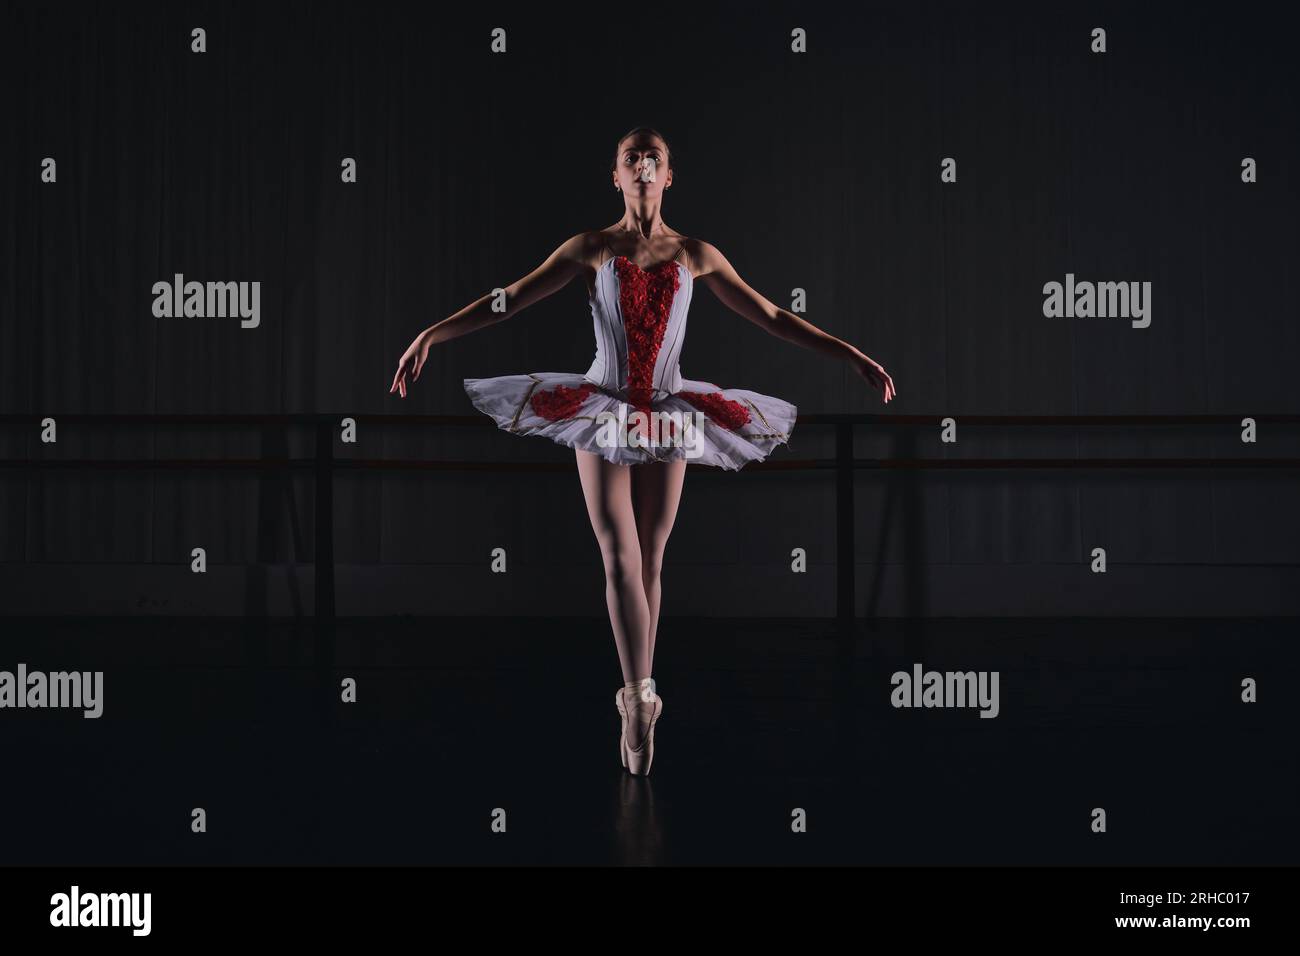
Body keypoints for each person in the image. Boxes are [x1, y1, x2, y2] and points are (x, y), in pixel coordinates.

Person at [390, 127, 896, 776]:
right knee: (619, 553)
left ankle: (643, 691)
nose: (644, 162)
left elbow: (771, 316)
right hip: (601, 405)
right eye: (633, 155)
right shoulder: (591, 248)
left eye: (654, 155)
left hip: (672, 408)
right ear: (618, 176)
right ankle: (637, 698)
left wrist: (848, 353)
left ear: (669, 176)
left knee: (652, 557)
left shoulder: (696, 254)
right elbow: (508, 300)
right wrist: (434, 333)